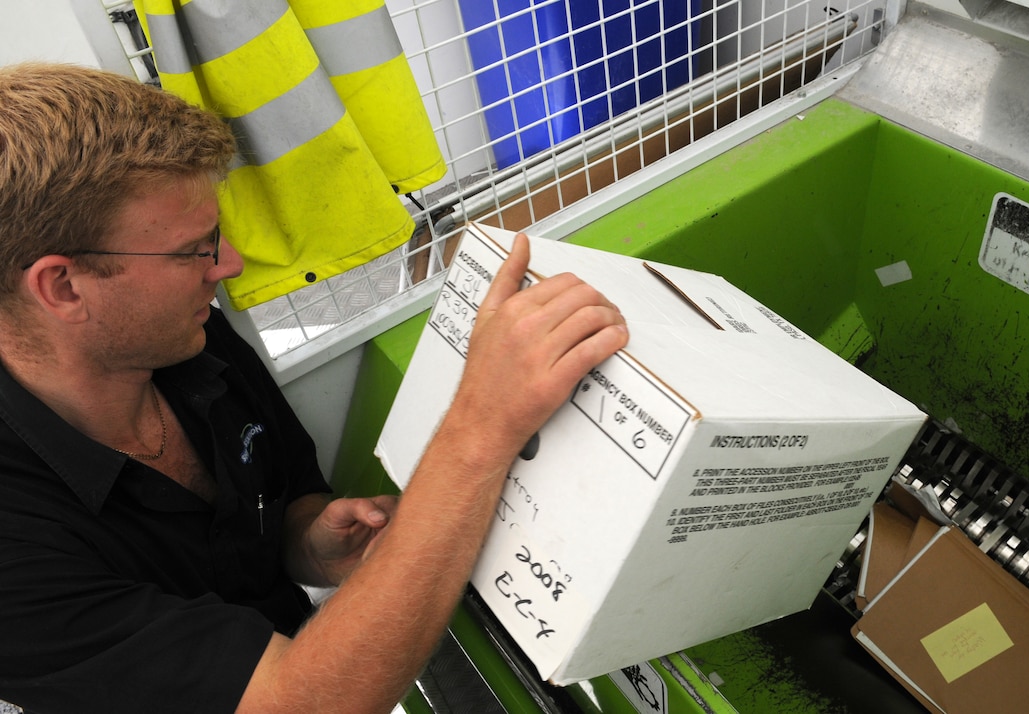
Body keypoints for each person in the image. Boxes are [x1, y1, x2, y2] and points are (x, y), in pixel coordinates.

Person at [0, 62, 628, 713]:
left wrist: (307, 543)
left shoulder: (183, 338)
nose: (229, 265)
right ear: (63, 287)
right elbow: (294, 705)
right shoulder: (14, 548)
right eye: (196, 248)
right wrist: (483, 425)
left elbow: (284, 495)